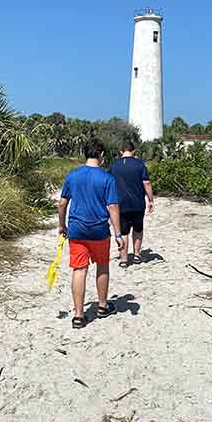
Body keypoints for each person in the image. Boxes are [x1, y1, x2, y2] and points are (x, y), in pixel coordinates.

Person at [58, 140, 126, 329]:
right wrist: (118, 234)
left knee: (79, 270)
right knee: (102, 266)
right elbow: (112, 207)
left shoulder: (72, 175)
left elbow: (62, 204)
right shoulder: (107, 178)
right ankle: (103, 306)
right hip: (99, 231)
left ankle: (79, 316)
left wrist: (62, 226)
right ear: (101, 155)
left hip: (77, 230)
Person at [110, 140, 154, 267]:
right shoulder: (140, 164)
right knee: (138, 229)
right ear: (134, 151)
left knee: (123, 232)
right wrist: (150, 200)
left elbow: (110, 183)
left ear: (121, 151)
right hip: (138, 203)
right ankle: (136, 255)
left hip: (120, 204)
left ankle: (124, 260)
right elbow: (146, 183)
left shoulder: (114, 165)